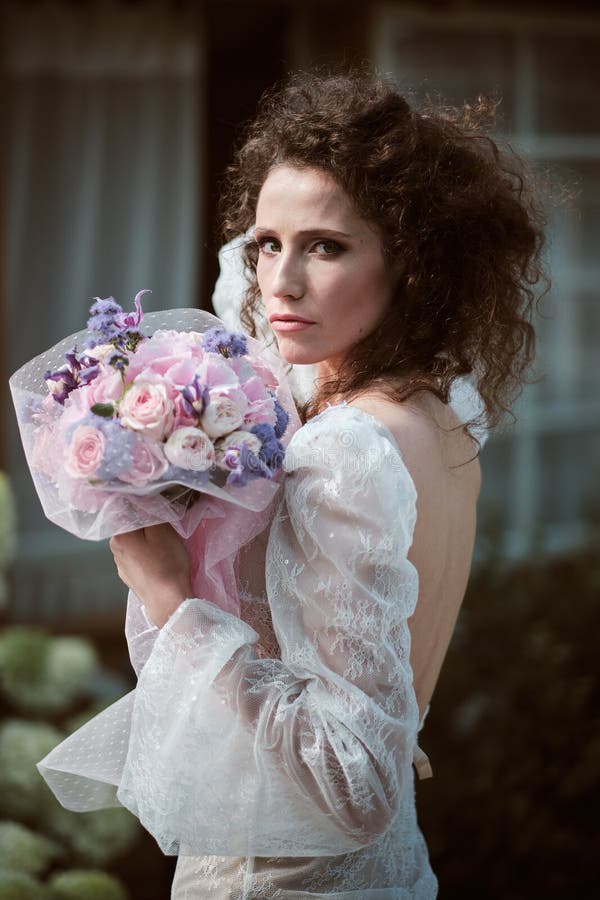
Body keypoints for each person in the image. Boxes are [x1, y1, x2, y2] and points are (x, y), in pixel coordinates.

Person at [38, 71, 547, 898]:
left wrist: (172, 599)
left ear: (413, 265)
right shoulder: (445, 418)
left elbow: (356, 785)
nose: (280, 281)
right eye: (267, 243)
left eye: (326, 245)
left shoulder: (346, 447)